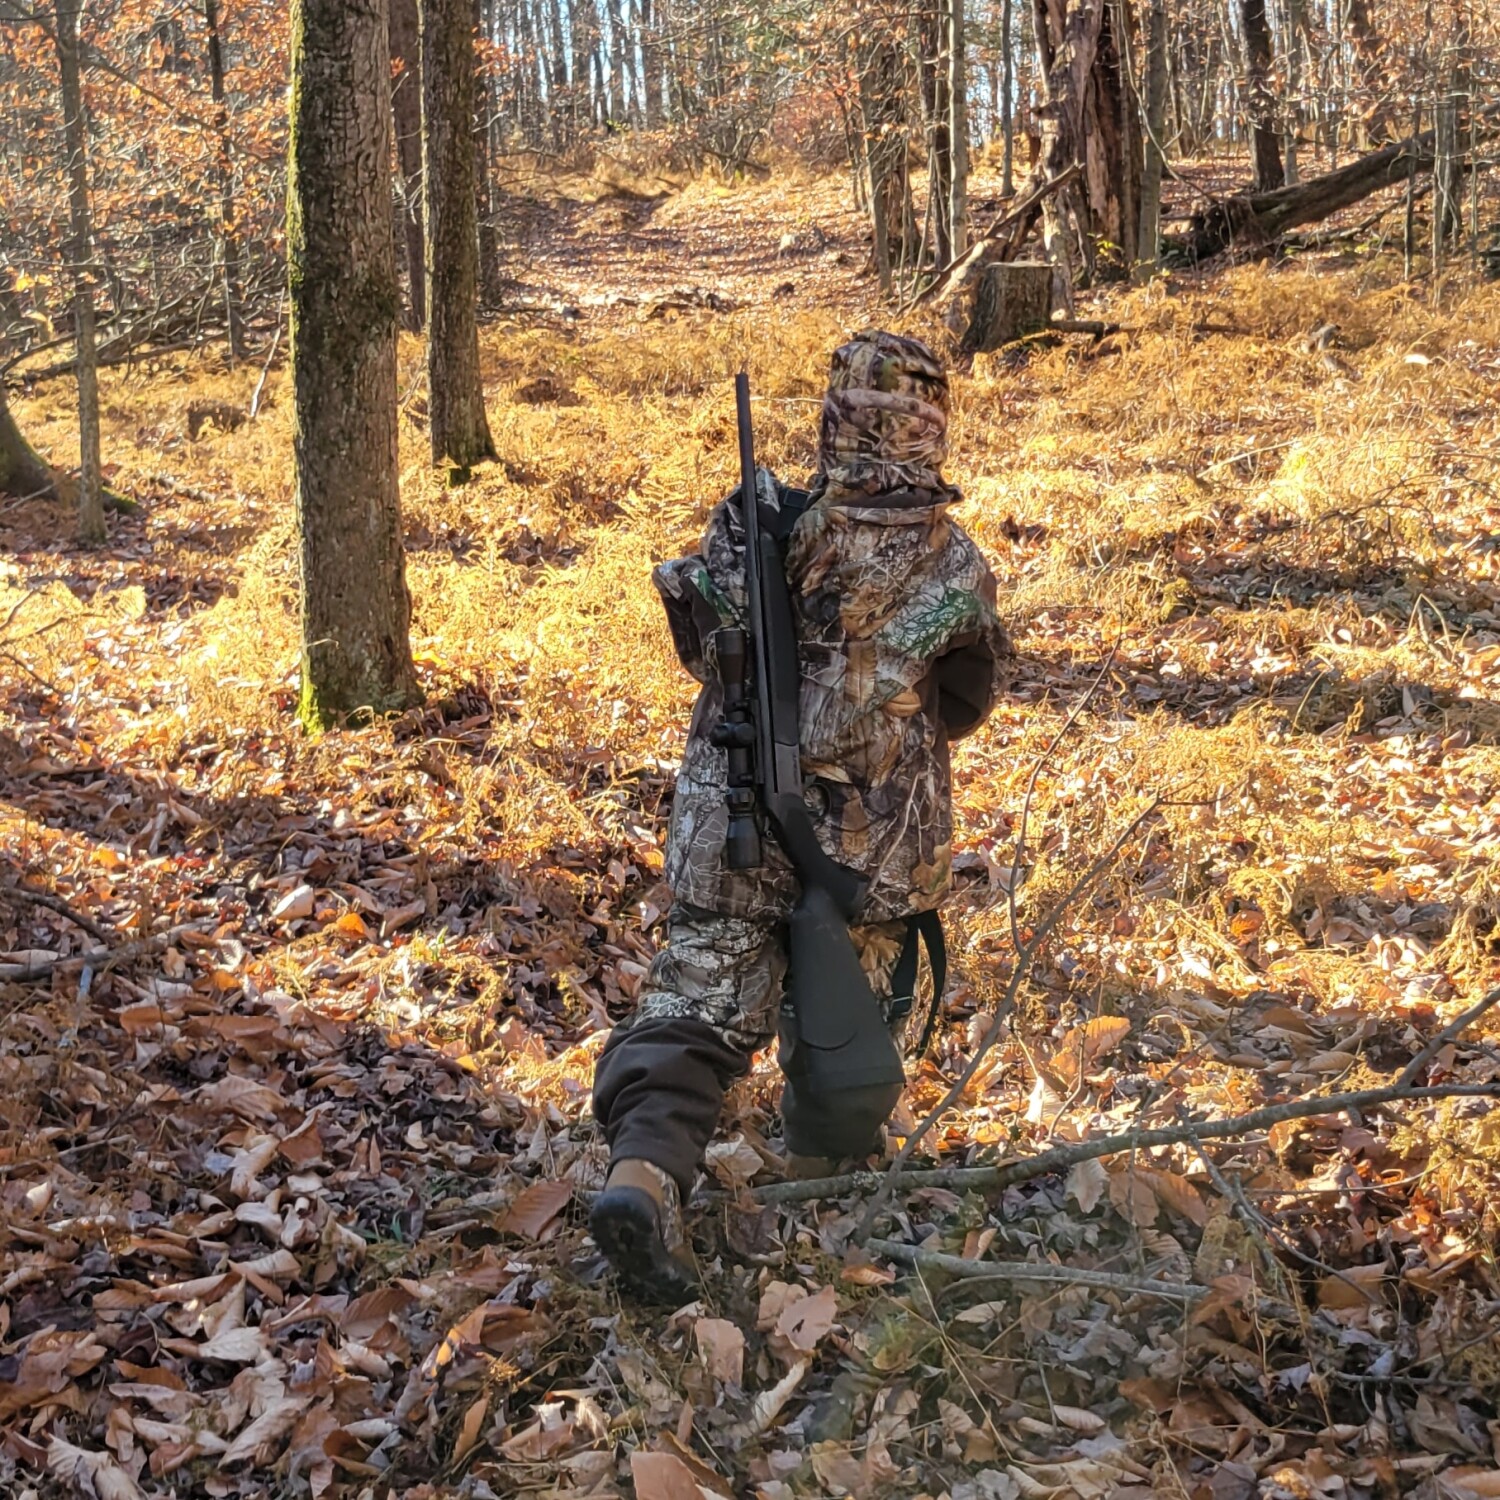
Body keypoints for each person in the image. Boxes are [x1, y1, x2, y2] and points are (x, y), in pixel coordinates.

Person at [588, 330, 1013, 1300]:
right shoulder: (956, 566)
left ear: (832, 424)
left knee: (693, 1005)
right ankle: (820, 1185)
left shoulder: (755, 520)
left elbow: (703, 651)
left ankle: (645, 1177)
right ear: (930, 431)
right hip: (874, 847)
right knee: (855, 1015)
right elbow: (968, 705)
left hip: (731, 821)